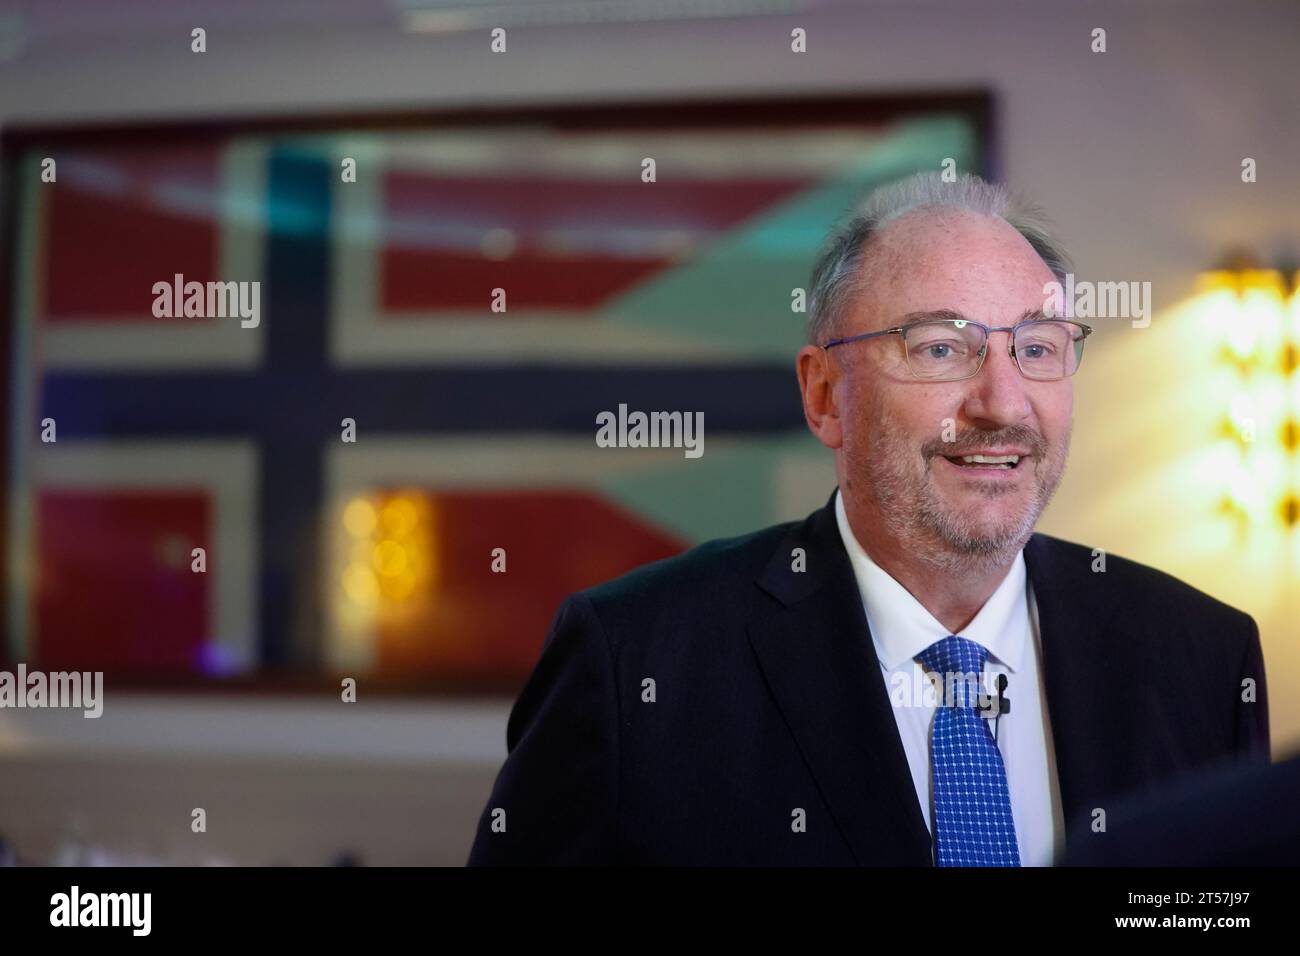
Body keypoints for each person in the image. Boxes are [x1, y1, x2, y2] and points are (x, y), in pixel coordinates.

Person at [466, 172, 1270, 866]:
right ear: (824, 396)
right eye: (938, 348)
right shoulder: (636, 661)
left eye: (1037, 346)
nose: (1001, 404)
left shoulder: (1200, 657)